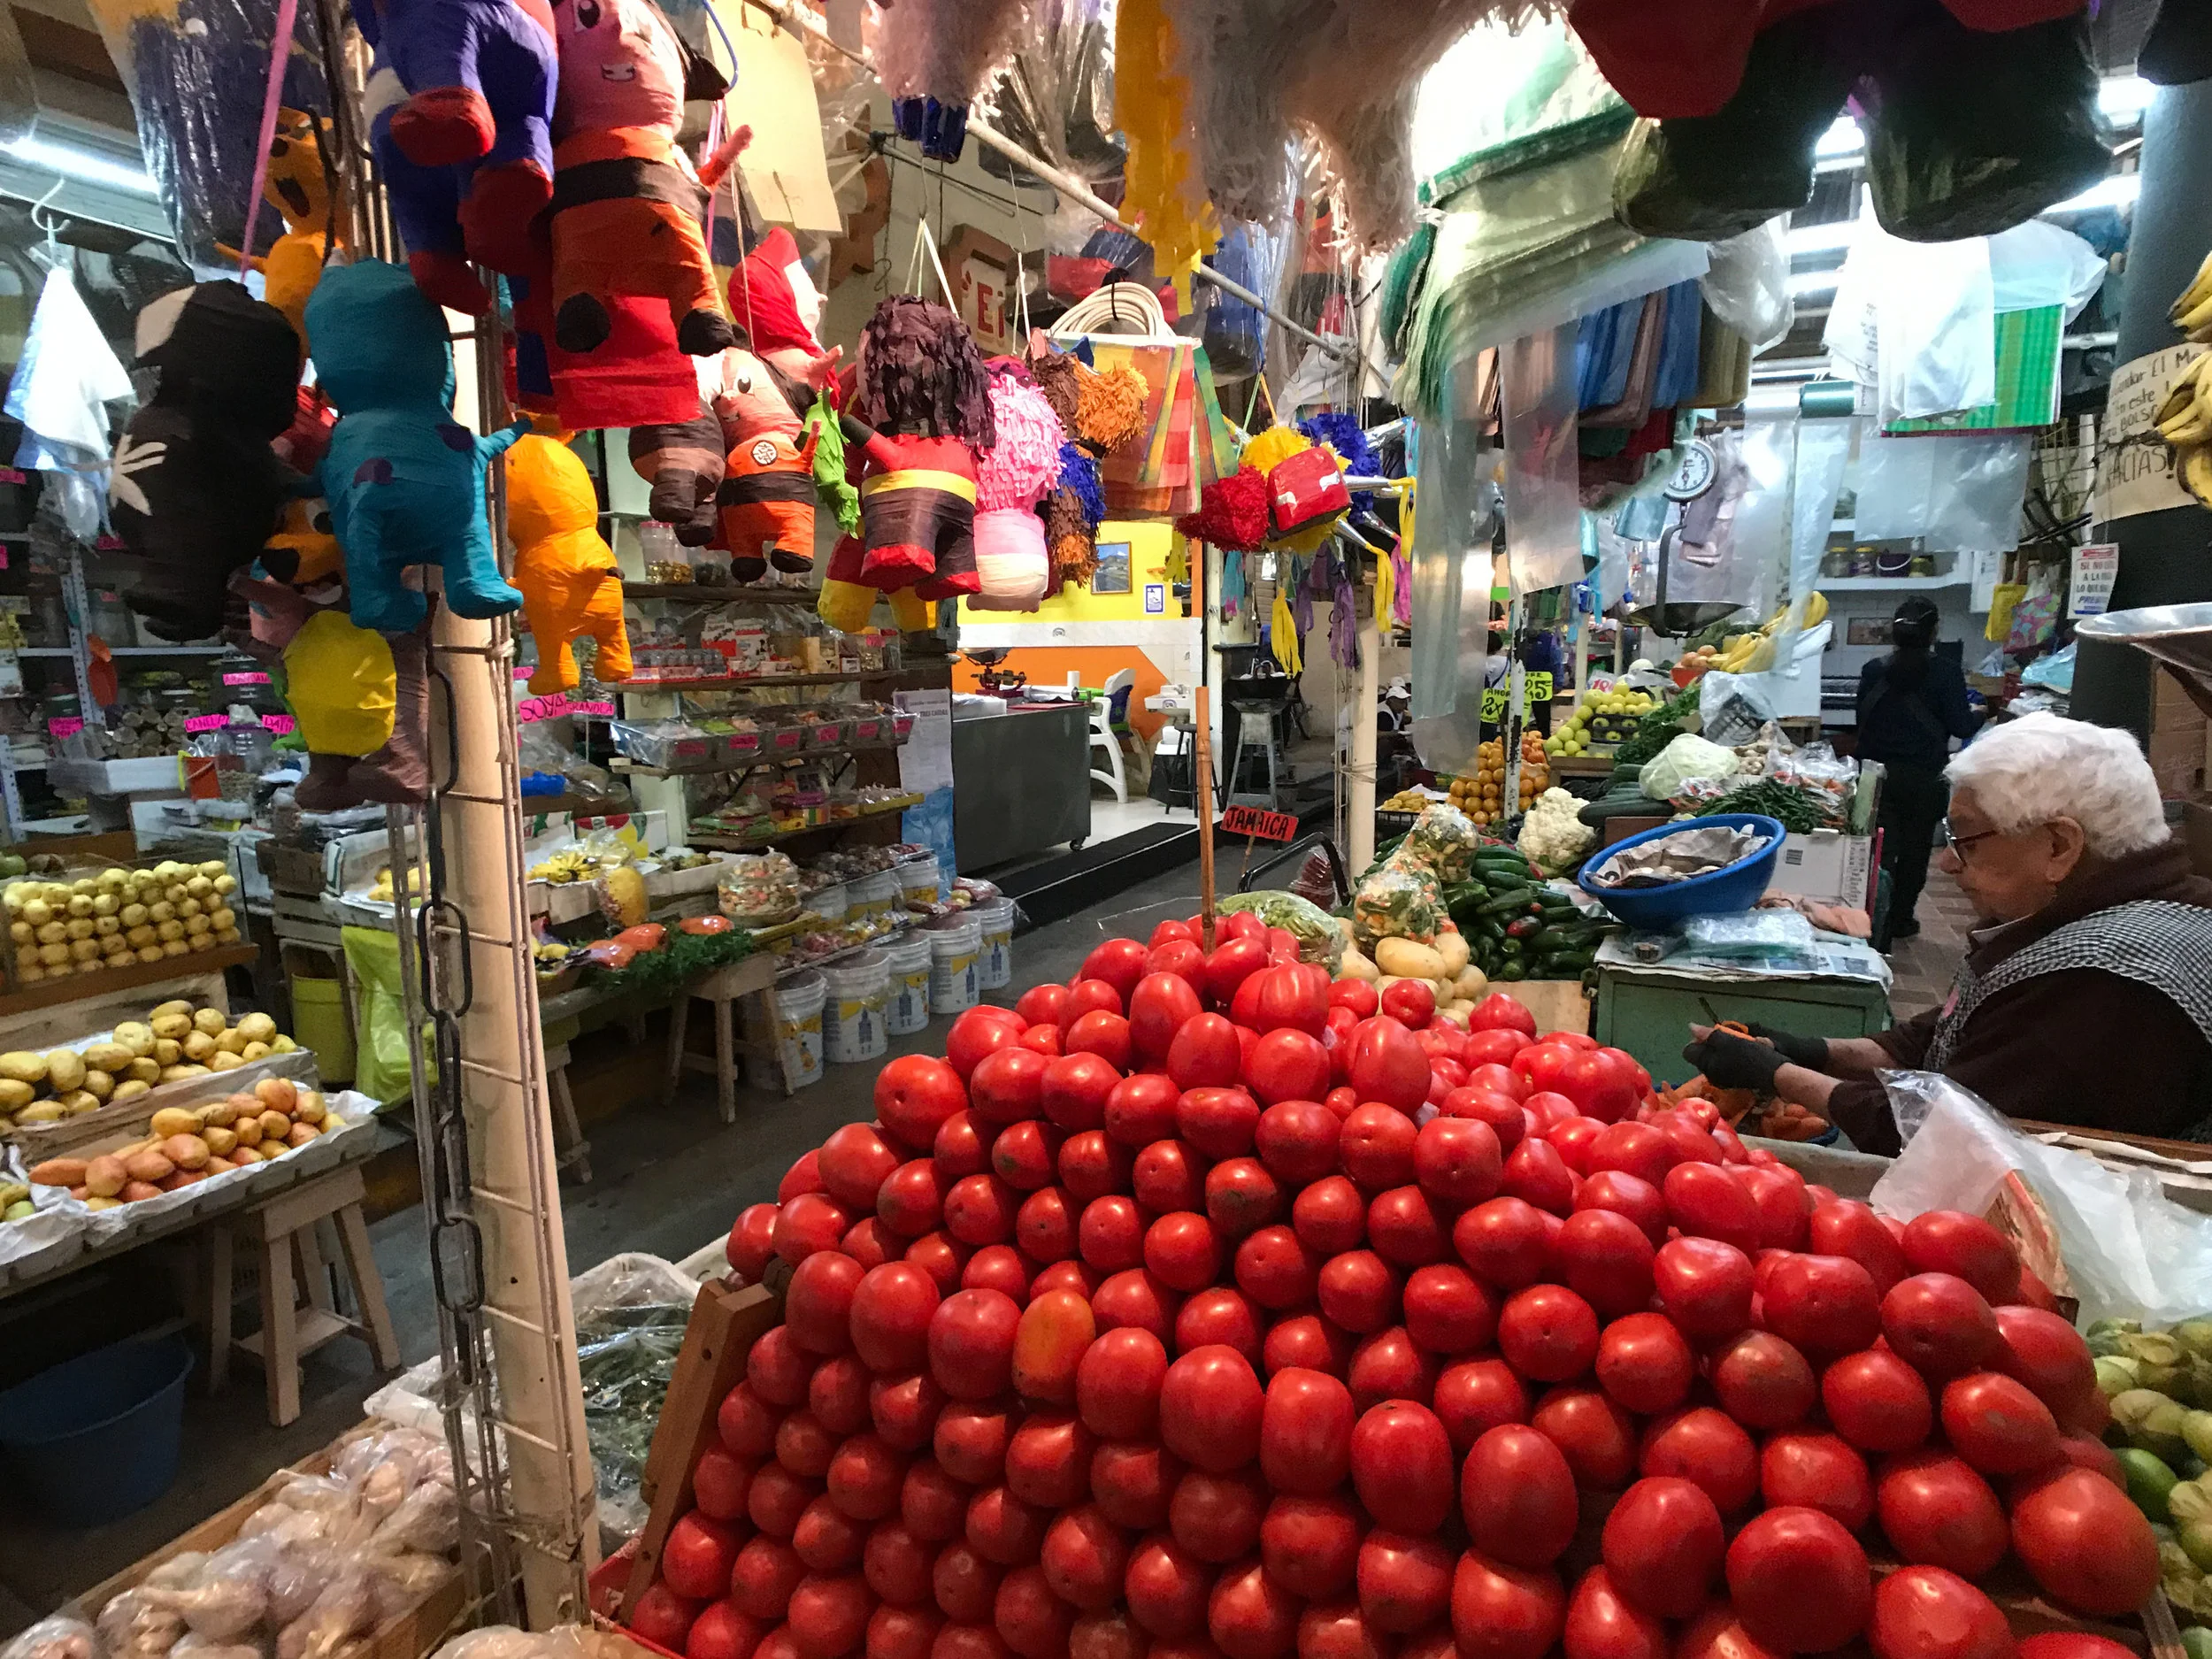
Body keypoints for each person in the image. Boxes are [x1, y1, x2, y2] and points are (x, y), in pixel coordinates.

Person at [1684, 712, 2212, 1154]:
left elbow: (1941, 1132)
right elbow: (1938, 1039)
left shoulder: (2108, 981)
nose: (1947, 862)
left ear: (2058, 847)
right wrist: (1807, 1049)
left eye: (1966, 839)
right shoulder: (2075, 919)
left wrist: (1773, 1072)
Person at [1856, 596, 1982, 946]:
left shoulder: (1873, 670)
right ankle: (1900, 920)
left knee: (1879, 851)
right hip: (1925, 778)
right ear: (1933, 632)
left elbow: (1861, 723)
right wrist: (1981, 714)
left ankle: (1870, 919)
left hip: (1878, 777)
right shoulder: (1945, 672)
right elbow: (1960, 724)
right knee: (1914, 852)